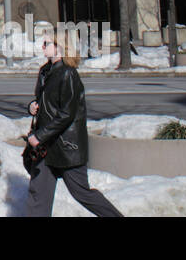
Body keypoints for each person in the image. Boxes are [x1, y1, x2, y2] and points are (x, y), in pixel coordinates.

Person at [24, 31, 123, 217]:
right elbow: (43, 101)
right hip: (46, 147)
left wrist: (40, 136)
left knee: (81, 193)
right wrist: (32, 107)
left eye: (46, 44)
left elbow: (67, 114)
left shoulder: (68, 74)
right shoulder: (45, 72)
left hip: (66, 146)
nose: (42, 47)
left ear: (59, 47)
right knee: (38, 194)